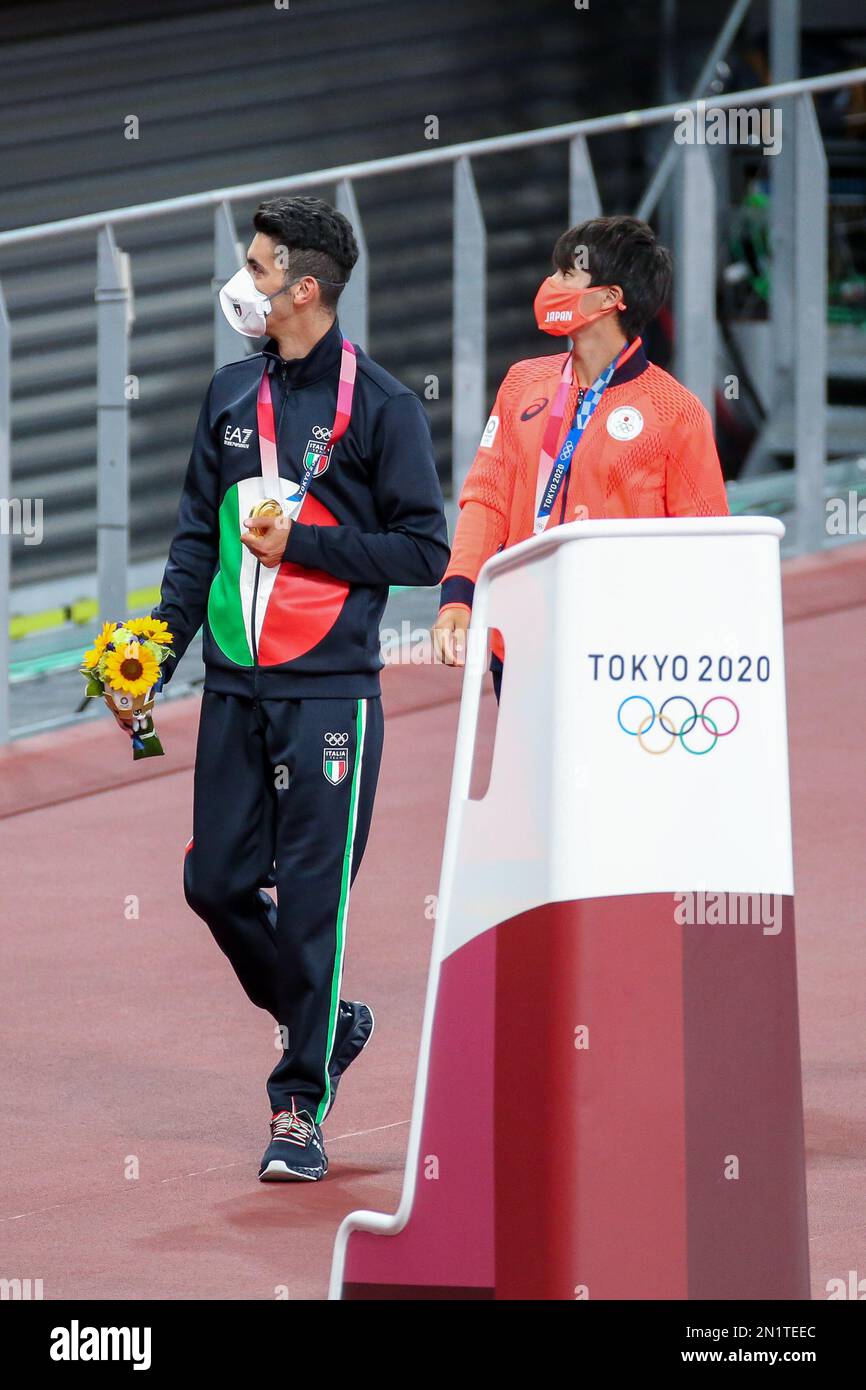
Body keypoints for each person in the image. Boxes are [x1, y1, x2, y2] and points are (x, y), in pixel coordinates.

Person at [147, 196, 449, 1181]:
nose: (240, 282)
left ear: (303, 287)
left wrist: (306, 543)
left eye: (257, 265)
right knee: (215, 884)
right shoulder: (230, 397)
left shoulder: (383, 408)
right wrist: (157, 646)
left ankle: (296, 1106)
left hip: (329, 698)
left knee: (312, 902)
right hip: (234, 688)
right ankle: (330, 1017)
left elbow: (421, 546)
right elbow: (197, 535)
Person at [432, 215, 729, 701]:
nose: (549, 285)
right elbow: (487, 498)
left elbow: (706, 548)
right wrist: (458, 597)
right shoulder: (521, 383)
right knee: (529, 777)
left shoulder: (676, 412)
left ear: (610, 299)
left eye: (567, 275)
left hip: (625, 655)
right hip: (522, 638)